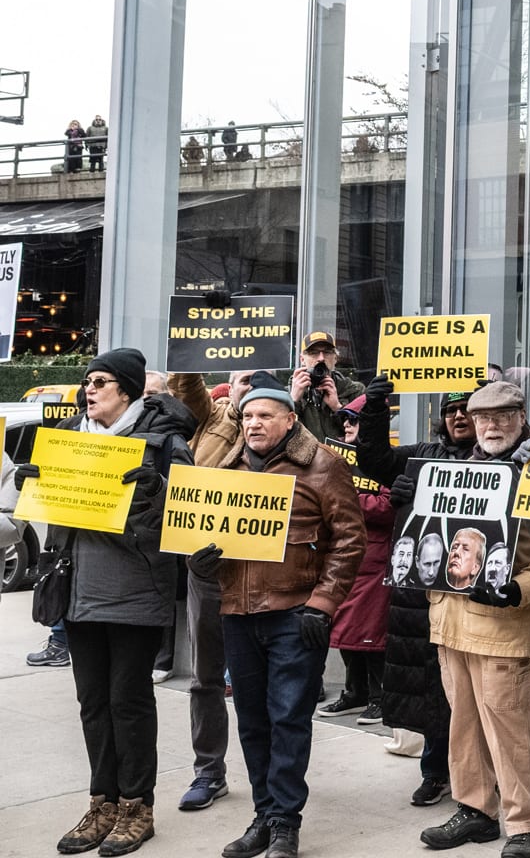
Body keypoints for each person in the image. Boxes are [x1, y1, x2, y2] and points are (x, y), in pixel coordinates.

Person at [26, 348, 193, 857]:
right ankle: (102, 802)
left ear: (128, 389)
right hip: (78, 591)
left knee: (129, 701)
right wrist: (33, 485)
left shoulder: (164, 442)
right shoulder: (72, 437)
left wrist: (156, 493)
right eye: (86, 381)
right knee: (93, 703)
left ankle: (136, 807)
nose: (88, 389)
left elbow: (187, 518)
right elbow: (55, 516)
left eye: (99, 381)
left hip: (136, 589)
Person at [190, 371, 364, 858]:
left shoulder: (323, 467)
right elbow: (201, 537)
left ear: (290, 420)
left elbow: (350, 541)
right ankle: (264, 817)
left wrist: (323, 604)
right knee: (252, 720)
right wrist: (200, 562)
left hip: (295, 615)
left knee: (288, 718)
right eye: (247, 415)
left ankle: (286, 822)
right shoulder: (225, 473)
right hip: (238, 612)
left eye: (265, 415)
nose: (253, 423)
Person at [418, 381, 530, 858]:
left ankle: (526, 823)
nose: (492, 425)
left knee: (512, 730)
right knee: (463, 726)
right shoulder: (454, 471)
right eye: (482, 418)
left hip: (504, 624)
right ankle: (476, 811)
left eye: (503, 416)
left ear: (521, 416)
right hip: (450, 623)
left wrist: (525, 588)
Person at [354, 376, 473, 808]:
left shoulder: (498, 461)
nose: (458, 416)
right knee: (430, 690)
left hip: (472, 593)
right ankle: (435, 772)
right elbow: (374, 459)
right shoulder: (423, 455)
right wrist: (375, 408)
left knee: (469, 694)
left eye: (467, 409)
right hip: (421, 596)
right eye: (450, 410)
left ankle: (480, 778)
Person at [167, 364, 255, 813]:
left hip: (261, 577)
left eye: (259, 383)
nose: (250, 389)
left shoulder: (286, 435)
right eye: (242, 381)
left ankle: (270, 776)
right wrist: (191, 347)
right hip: (206, 572)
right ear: (229, 391)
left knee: (260, 685)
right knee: (205, 679)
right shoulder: (213, 419)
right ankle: (209, 771)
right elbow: (185, 385)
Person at [315, 397, 394, 726]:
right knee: (345, 634)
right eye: (344, 419)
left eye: (354, 419)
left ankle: (379, 698)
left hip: (374, 560)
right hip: (344, 558)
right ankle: (354, 692)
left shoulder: (387, 460)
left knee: (371, 636)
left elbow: (388, 507)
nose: (346, 424)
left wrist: (348, 497)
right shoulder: (336, 459)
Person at [289, 331, 364, 441]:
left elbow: (366, 436)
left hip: (344, 457)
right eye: (314, 353)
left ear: (335, 359)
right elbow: (280, 436)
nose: (321, 358)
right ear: (302, 360)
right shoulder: (285, 394)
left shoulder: (355, 391)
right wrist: (293, 401)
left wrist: (338, 408)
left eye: (327, 352)